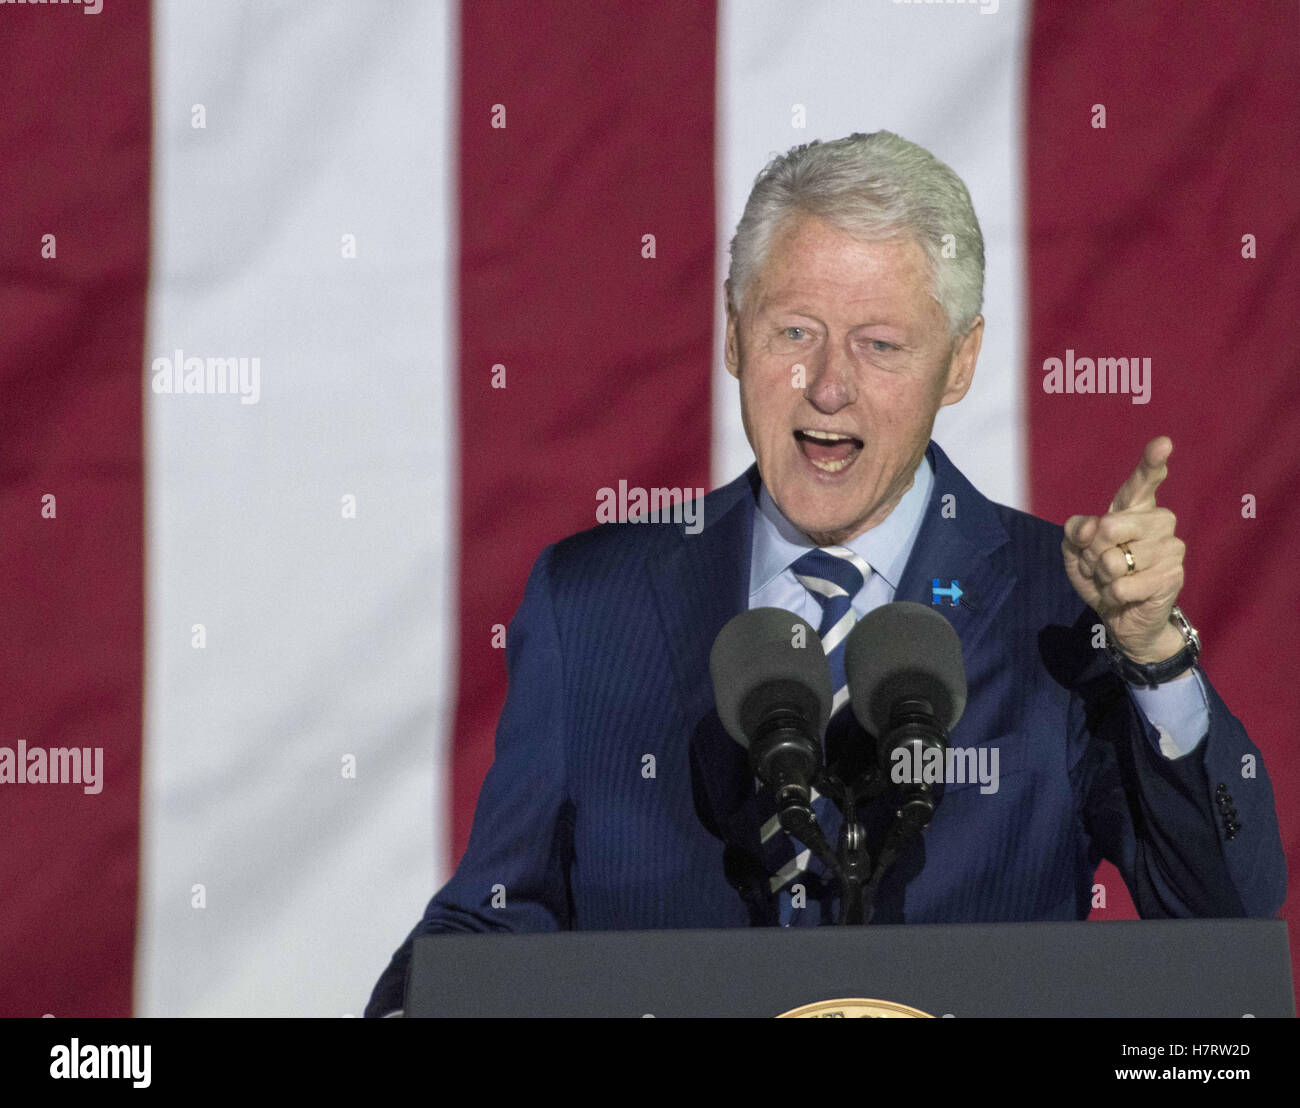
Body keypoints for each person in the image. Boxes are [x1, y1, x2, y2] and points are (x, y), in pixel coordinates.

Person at [365, 131, 1286, 1017]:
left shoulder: (1059, 608)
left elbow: (1225, 911)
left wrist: (1154, 659)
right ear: (733, 336)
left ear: (959, 361)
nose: (829, 385)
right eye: (794, 331)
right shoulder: (593, 603)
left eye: (880, 344)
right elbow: (491, 917)